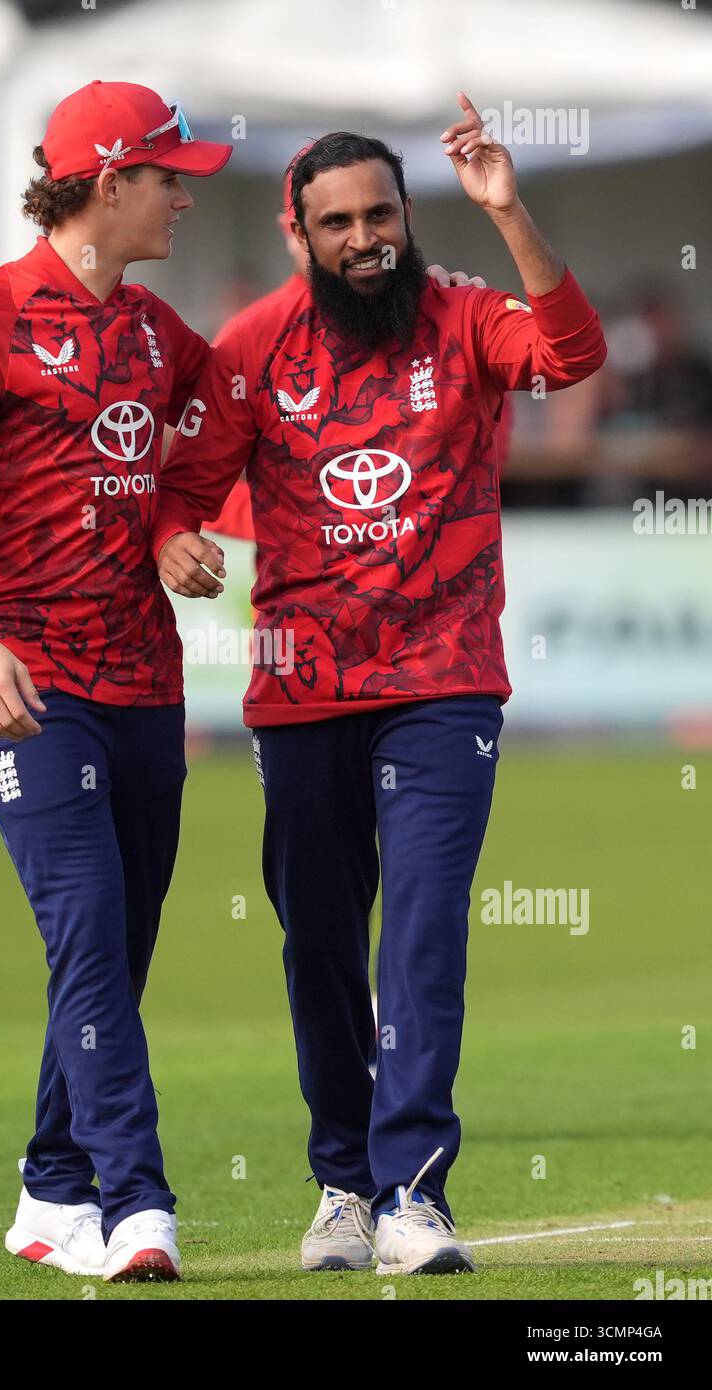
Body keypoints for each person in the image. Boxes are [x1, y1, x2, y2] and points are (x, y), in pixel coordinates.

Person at [153, 93, 607, 1276]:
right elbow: (180, 481)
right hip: (299, 687)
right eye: (339, 221)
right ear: (295, 230)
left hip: (445, 679)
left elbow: (570, 353)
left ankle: (411, 1190)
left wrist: (509, 215)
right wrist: (170, 540)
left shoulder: (462, 317)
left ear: (408, 215)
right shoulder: (249, 346)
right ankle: (339, 1184)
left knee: (421, 926)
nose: (366, 239)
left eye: (381, 216)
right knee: (316, 943)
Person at [0, 80, 232, 1284]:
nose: (183, 194)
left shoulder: (149, 329)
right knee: (86, 924)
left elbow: (212, 413)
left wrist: (178, 517)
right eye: (166, 175)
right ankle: (137, 1206)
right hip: (26, 685)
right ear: (106, 182)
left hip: (145, 680)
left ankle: (48, 1186)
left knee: (114, 947)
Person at [205, 163, 497, 543]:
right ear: (293, 231)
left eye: (372, 214)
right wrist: (314, 519)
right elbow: (200, 481)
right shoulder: (250, 337)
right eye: (333, 221)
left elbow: (489, 435)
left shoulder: (430, 308)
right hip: (307, 588)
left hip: (428, 580)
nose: (356, 240)